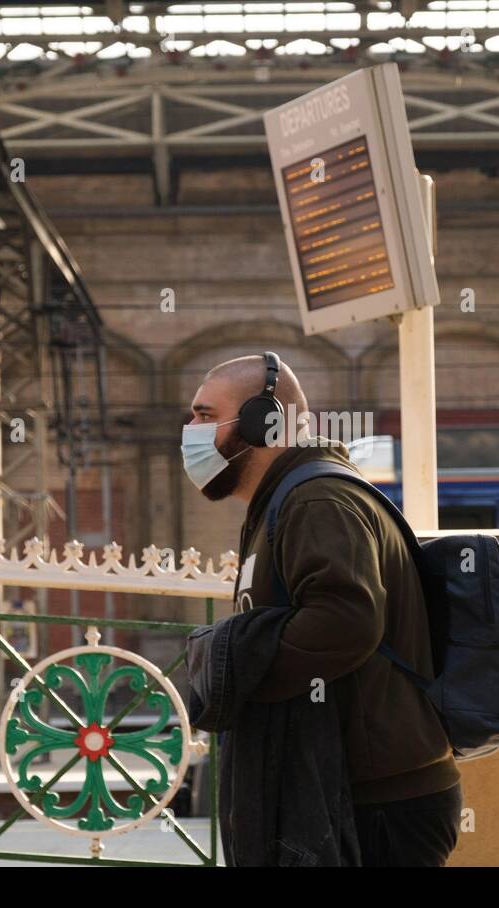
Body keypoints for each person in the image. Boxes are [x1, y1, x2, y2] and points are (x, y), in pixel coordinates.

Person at [183, 351, 462, 866]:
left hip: (378, 802)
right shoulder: (282, 502)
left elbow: (346, 621)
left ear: (263, 422)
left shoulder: (317, 499)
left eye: (204, 416)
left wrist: (239, 667)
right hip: (355, 790)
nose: (191, 431)